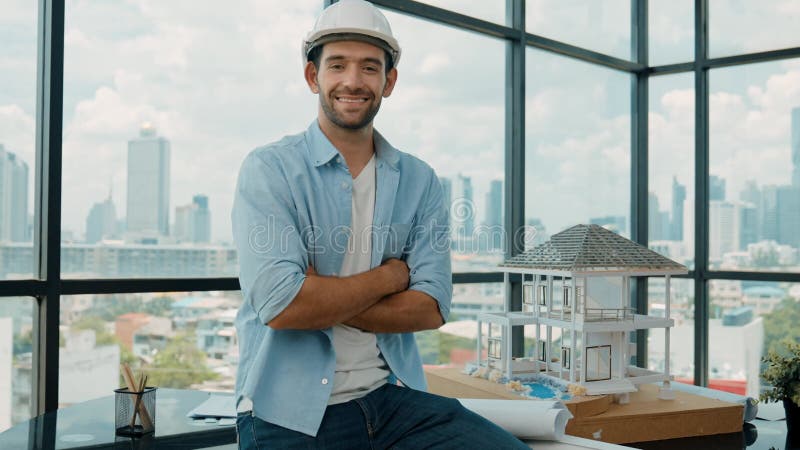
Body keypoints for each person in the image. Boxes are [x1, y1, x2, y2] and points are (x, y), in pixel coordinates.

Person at [232, 1, 528, 448]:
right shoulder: (270, 170)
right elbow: (283, 307)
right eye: (338, 65)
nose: (353, 81)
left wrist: (321, 296)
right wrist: (391, 277)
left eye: (370, 67)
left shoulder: (419, 180)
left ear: (389, 82)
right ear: (313, 77)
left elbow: (430, 308)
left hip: (391, 400)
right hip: (287, 413)